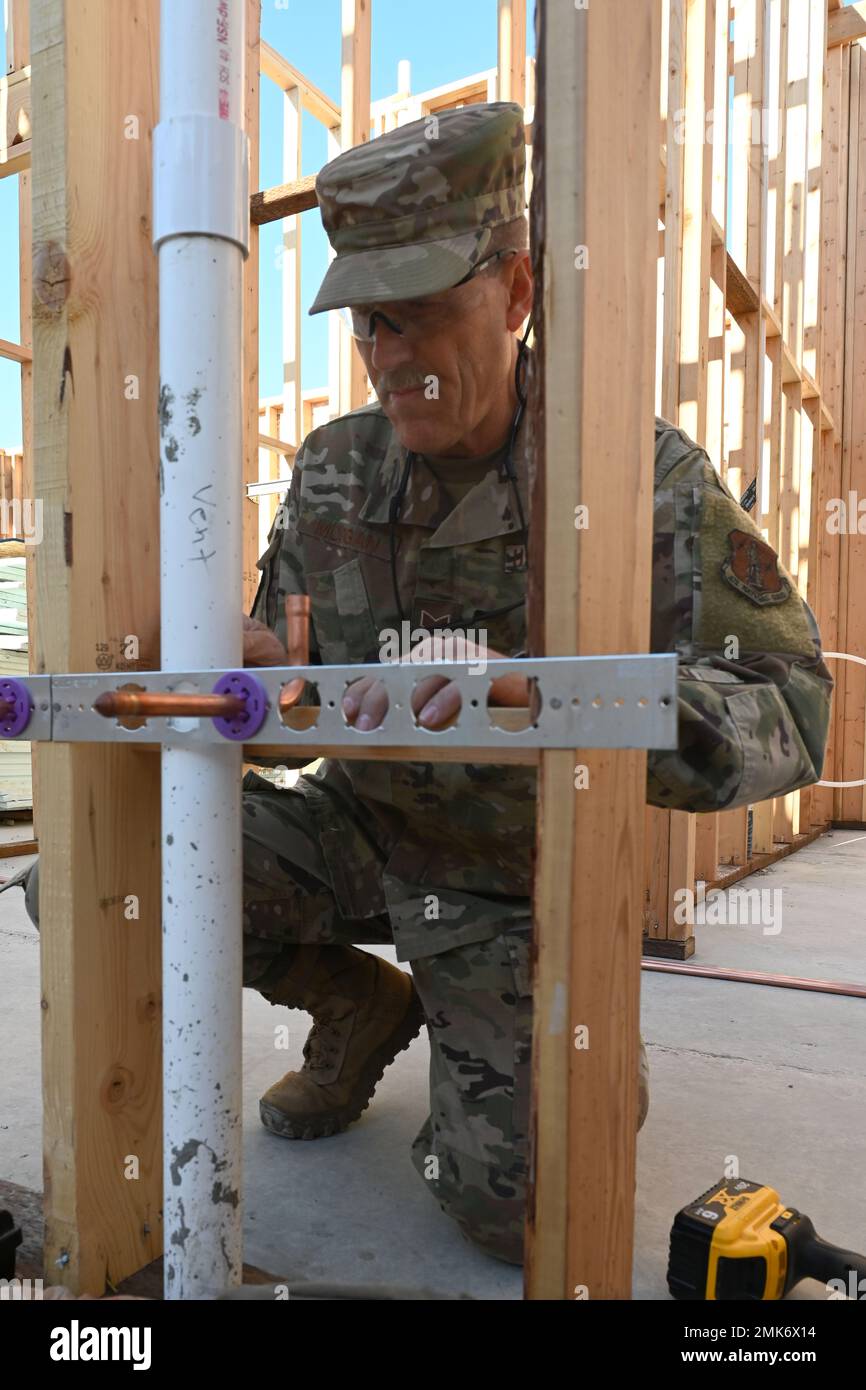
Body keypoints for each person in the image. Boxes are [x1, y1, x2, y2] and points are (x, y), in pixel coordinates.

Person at [4, 102, 832, 1267]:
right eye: (368, 323)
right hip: (359, 829)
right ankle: (356, 1003)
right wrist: (264, 694)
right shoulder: (334, 468)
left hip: (515, 875)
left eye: (424, 311)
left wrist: (556, 702)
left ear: (517, 289)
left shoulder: (630, 478)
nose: (391, 356)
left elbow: (791, 705)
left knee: (519, 1204)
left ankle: (524, 1035)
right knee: (89, 881)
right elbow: (286, 681)